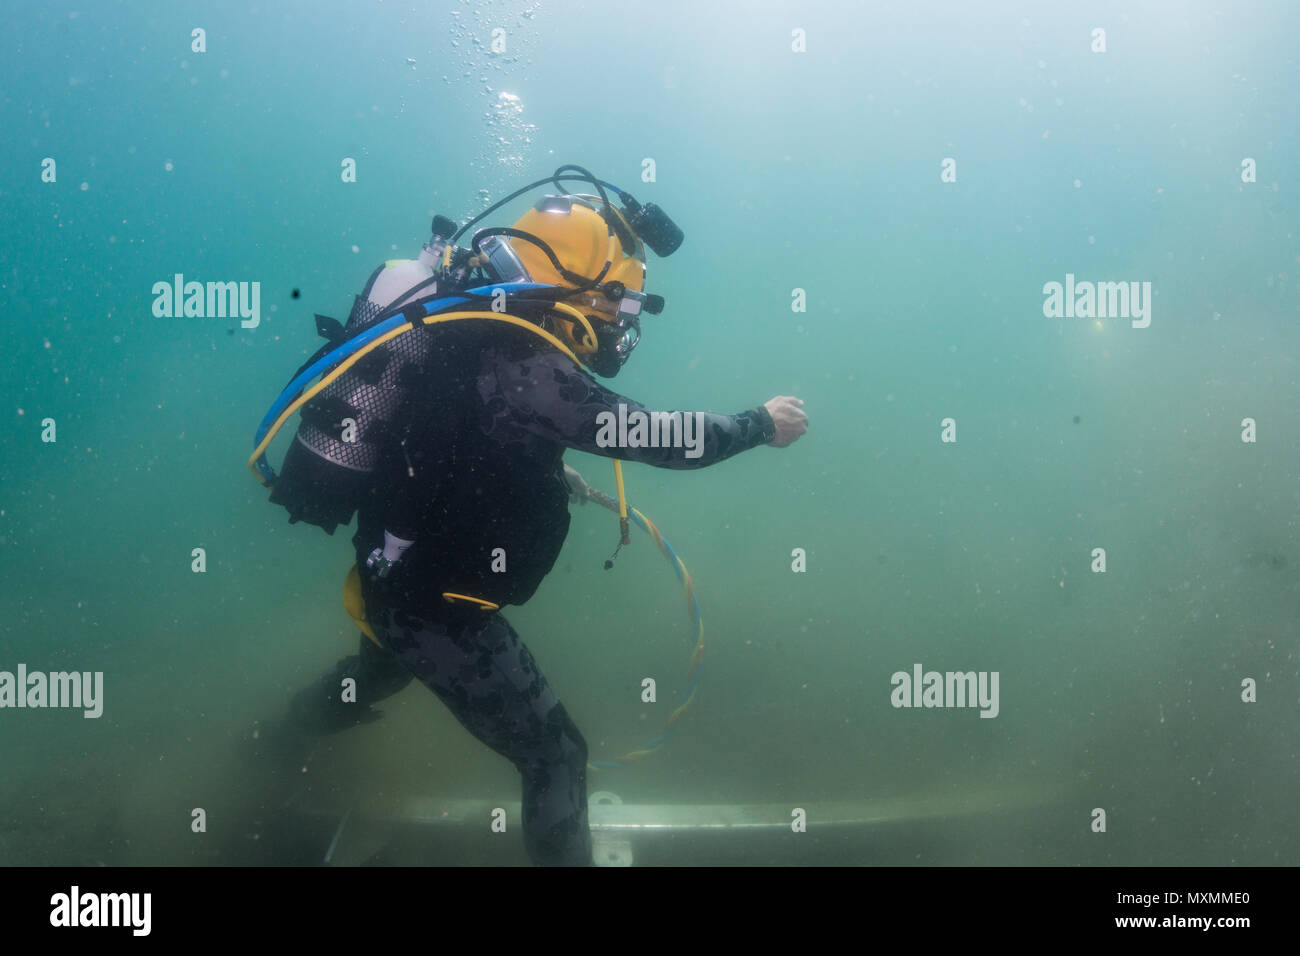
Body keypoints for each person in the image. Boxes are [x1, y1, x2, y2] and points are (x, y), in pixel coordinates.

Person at [250, 166, 808, 865]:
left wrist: (540, 464)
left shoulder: (473, 333)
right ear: (583, 286)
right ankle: (283, 740)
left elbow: (464, 433)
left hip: (393, 570)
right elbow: (661, 438)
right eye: (619, 305)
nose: (619, 325)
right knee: (555, 753)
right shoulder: (528, 366)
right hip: (436, 606)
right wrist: (759, 424)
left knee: (382, 667)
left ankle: (277, 742)